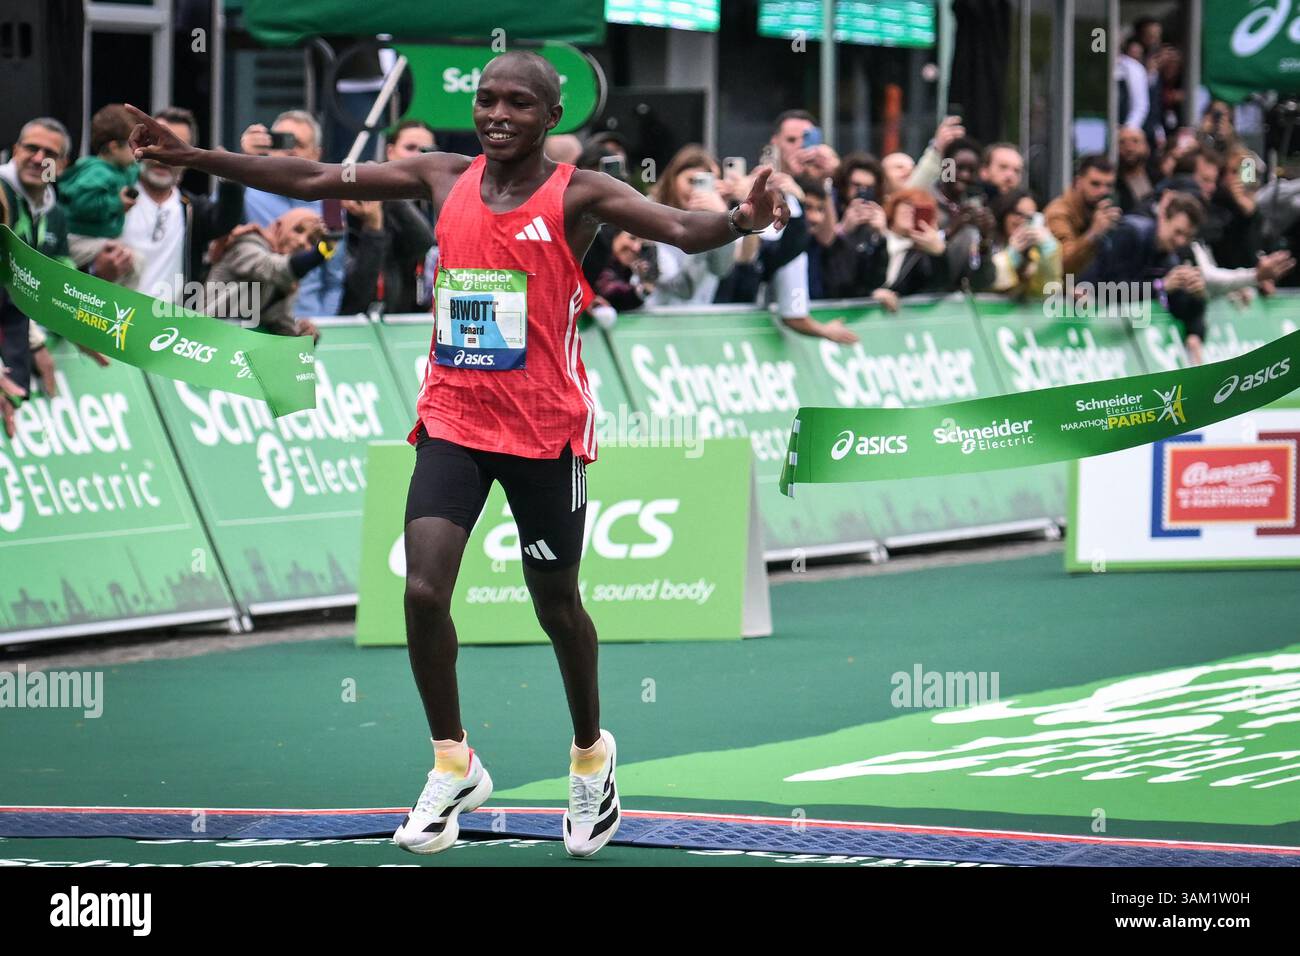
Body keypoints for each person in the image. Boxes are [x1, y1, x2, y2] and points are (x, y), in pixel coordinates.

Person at [124, 49, 790, 860]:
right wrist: (196, 156)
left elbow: (686, 229)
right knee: (424, 589)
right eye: (485, 100)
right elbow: (310, 179)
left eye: (517, 103)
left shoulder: (579, 192)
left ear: (552, 118)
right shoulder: (440, 175)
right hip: (454, 418)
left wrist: (743, 219)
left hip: (545, 429)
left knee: (557, 608)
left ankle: (591, 757)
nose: (497, 114)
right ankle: (454, 761)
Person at [120, 106, 245, 303]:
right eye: (157, 143)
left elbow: (226, 218)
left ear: (188, 158)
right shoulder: (115, 196)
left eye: (176, 148)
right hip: (111, 320)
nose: (164, 158)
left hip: (168, 328)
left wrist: (228, 169)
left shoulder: (192, 209)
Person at [240, 109, 347, 318]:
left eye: (298, 145)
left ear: (316, 154)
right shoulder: (246, 192)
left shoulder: (331, 204)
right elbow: (217, 227)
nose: (289, 151)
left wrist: (322, 322)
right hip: (254, 322)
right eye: (282, 142)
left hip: (309, 323)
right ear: (269, 148)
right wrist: (243, 159)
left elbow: (334, 279)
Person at [1081, 191, 1207, 363]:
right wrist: (1160, 286)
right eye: (1178, 232)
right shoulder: (1130, 233)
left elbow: (1179, 307)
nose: (1180, 241)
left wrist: (1197, 296)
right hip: (1088, 327)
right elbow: (1112, 289)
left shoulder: (1170, 257)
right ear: (1163, 217)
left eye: (1187, 236)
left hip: (1122, 345)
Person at [201, 209, 327, 339]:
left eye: (311, 241)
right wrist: (321, 252)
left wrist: (302, 335)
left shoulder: (288, 280)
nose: (301, 241)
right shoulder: (247, 244)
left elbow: (280, 327)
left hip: (235, 344)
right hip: (204, 337)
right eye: (298, 230)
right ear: (280, 226)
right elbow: (272, 268)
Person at [57, 104, 142, 287]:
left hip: (101, 238)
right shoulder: (97, 172)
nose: (137, 151)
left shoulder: (123, 168)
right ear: (113, 147)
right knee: (133, 262)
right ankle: (120, 310)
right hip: (79, 239)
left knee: (134, 262)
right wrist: (116, 203)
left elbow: (137, 171)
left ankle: (120, 309)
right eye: (132, 145)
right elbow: (82, 204)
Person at [869, 188, 949, 312]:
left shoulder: (922, 256)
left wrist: (939, 254)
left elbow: (936, 290)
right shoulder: (872, 237)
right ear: (895, 206)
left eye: (920, 209)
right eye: (907, 204)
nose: (911, 211)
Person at [1045, 154, 1121, 275]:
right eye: (1095, 184)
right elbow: (1061, 266)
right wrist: (1093, 233)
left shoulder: (1098, 210)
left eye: (1109, 185)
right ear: (1078, 182)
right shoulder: (1058, 214)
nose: (1103, 191)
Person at [989, 189, 1061, 299]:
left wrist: (1049, 254)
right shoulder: (989, 242)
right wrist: (1009, 258)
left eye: (1029, 217)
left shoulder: (1034, 253)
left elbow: (1048, 292)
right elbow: (986, 283)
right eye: (1017, 213)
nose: (1022, 221)